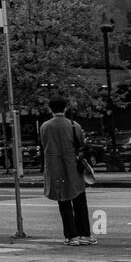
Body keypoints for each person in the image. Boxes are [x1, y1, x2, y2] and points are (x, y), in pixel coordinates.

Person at [40, 98, 98, 246]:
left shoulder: (45, 127)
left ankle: (71, 236)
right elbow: (81, 144)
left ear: (50, 109)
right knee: (79, 201)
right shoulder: (74, 125)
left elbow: (44, 144)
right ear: (65, 108)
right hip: (73, 167)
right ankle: (85, 234)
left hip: (55, 168)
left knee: (64, 203)